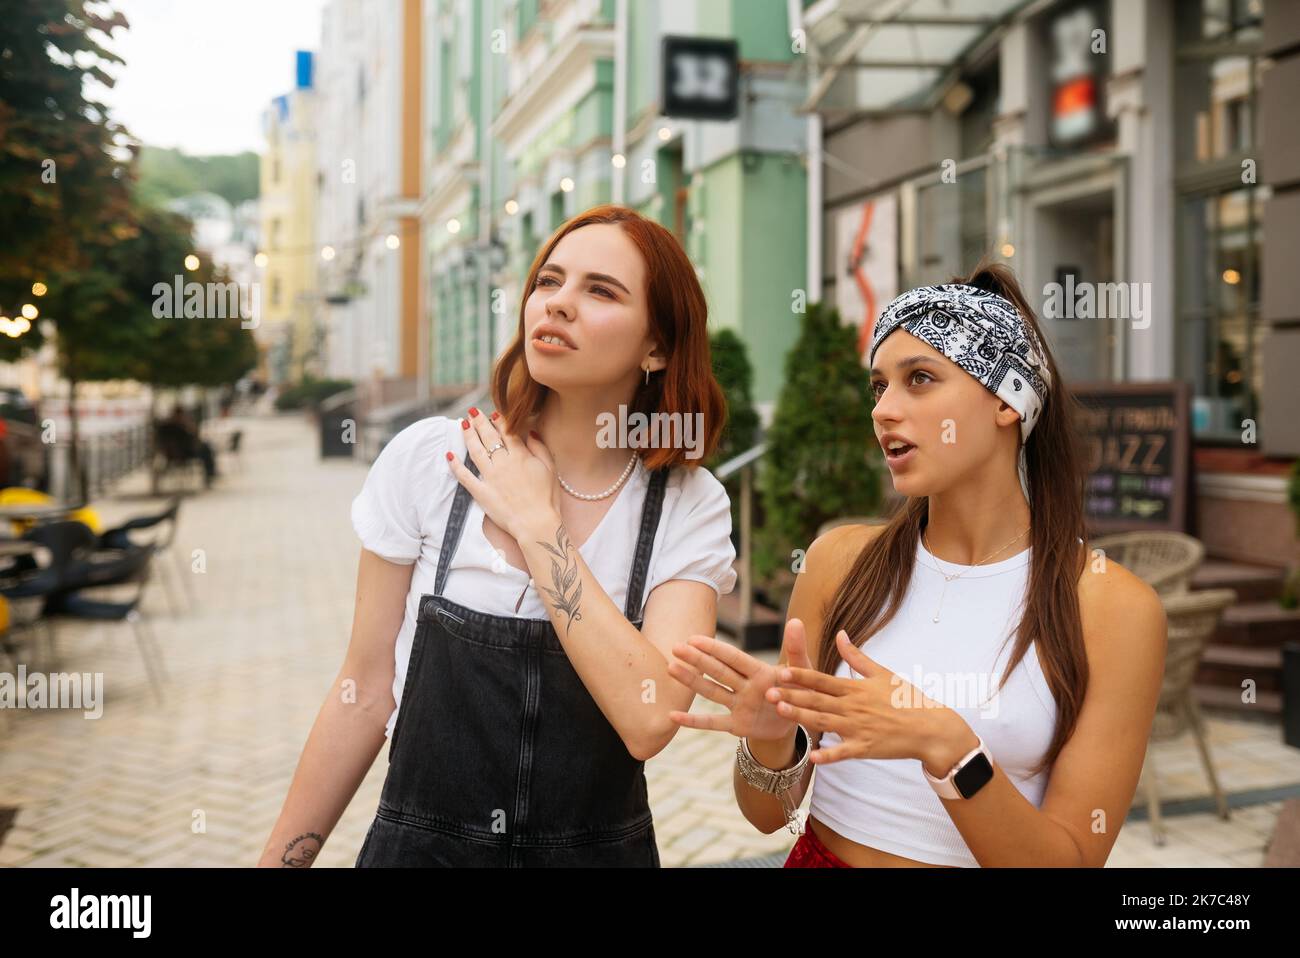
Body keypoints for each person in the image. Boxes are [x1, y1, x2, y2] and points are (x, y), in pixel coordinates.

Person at [258, 205, 737, 867]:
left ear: (656, 347)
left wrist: (538, 526)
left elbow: (649, 717)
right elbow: (364, 693)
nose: (559, 303)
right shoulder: (432, 461)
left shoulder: (688, 505)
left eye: (599, 291)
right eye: (549, 281)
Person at [667, 262, 1167, 867]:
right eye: (879, 386)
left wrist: (948, 747)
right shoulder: (839, 562)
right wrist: (770, 744)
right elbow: (769, 814)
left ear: (1008, 403)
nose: (883, 410)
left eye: (920, 379)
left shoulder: (1112, 606)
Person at [158, 406, 218, 487]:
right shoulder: (178, 426)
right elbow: (193, 437)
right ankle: (210, 474)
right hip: (184, 453)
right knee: (206, 449)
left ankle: (210, 474)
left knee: (206, 447)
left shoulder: (169, 425)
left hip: (177, 453)